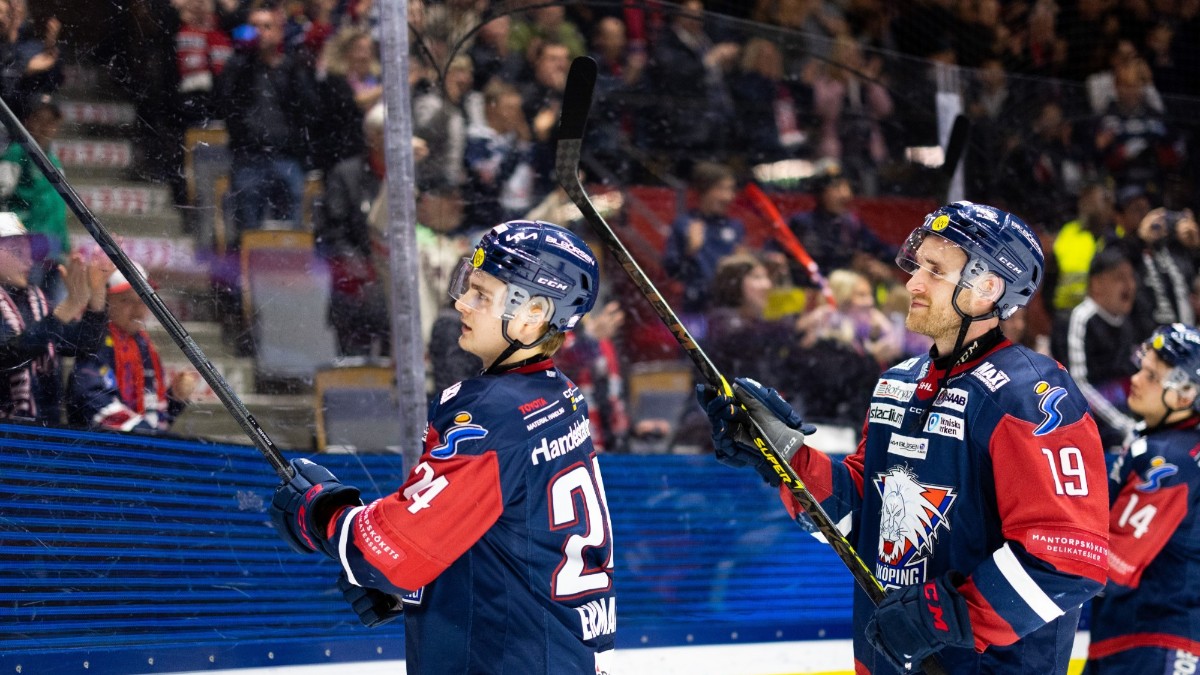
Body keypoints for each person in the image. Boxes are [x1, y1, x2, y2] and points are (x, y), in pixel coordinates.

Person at [700, 201, 1111, 672]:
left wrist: (941, 619)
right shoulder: (896, 384)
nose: (913, 282)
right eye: (918, 266)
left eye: (935, 270)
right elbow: (866, 521)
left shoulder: (1030, 395)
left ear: (988, 287)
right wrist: (784, 457)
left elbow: (1067, 560)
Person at [269, 221, 616, 674]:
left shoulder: (492, 411)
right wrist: (414, 586)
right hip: (559, 653)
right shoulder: (556, 397)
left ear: (533, 313)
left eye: (482, 295)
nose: (462, 303)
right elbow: (498, 532)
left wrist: (320, 514)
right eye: (468, 288)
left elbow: (393, 550)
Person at [1086, 323, 1200, 673]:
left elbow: (1114, 563)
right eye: (1142, 367)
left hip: (1155, 645)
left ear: (1184, 396)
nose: (1136, 379)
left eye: (1152, 376)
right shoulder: (1163, 444)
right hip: (1135, 638)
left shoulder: (1168, 463)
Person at [0, 213, 108, 424]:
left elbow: (85, 344)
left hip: (43, 433)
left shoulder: (35, 299)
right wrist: (67, 308)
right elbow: (7, 356)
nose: (28, 257)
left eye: (28, 249)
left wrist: (97, 294)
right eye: (16, 249)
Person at [66, 264, 198, 433]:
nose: (138, 310)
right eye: (126, 300)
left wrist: (175, 399)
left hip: (137, 451)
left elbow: (153, 419)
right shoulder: (94, 342)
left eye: (142, 300)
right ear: (106, 301)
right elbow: (92, 402)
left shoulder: (144, 344)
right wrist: (151, 438)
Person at [1051, 247, 1139, 453]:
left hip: (1125, 426)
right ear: (1097, 284)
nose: (1130, 285)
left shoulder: (1127, 323)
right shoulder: (1080, 319)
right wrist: (1124, 425)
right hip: (1092, 435)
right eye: (1120, 278)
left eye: (1132, 278)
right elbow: (1078, 384)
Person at [662, 161, 745, 330]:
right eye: (721, 189)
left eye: (731, 190)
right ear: (704, 190)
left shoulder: (735, 227)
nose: (728, 197)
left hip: (729, 309)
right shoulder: (684, 224)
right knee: (694, 352)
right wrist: (690, 251)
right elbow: (672, 271)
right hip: (696, 309)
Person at [0, 93, 67, 299]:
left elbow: (58, 206)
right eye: (40, 119)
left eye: (51, 121)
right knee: (30, 301)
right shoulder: (16, 154)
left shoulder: (53, 159)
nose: (46, 127)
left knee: (51, 304)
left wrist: (66, 246)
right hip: (27, 247)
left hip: (53, 245)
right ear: (28, 121)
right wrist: (13, 243)